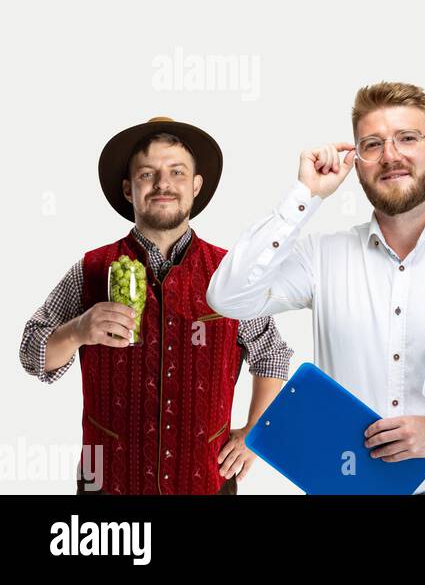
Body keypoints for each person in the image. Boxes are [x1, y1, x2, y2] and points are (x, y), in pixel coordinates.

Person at [207, 82, 425, 494]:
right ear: (357, 163)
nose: (391, 155)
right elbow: (227, 297)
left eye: (408, 138)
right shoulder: (320, 258)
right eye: (372, 144)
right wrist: (305, 195)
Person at [20, 116, 292, 494]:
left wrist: (253, 434)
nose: (164, 184)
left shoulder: (231, 273)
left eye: (177, 172)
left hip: (207, 482)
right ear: (129, 190)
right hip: (108, 486)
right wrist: (79, 329)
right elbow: (32, 353)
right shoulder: (91, 269)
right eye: (148, 174)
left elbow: (272, 354)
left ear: (196, 186)